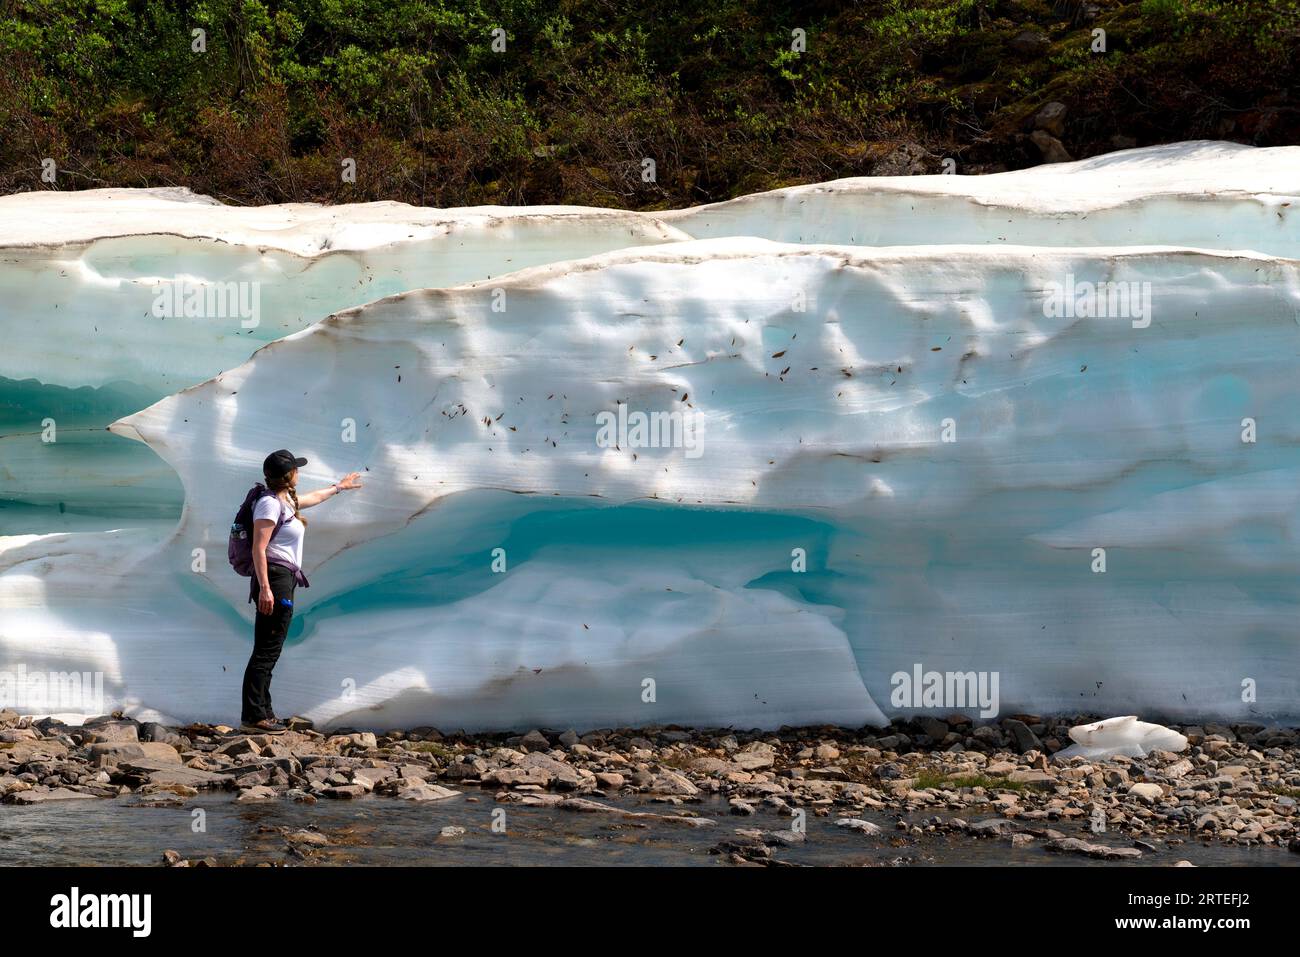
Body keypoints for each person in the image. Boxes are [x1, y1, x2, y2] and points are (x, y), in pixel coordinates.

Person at [241, 449, 362, 734]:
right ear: (288, 475)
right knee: (266, 650)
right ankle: (253, 717)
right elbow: (259, 548)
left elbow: (310, 499)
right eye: (296, 468)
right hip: (274, 577)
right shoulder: (269, 505)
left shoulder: (286, 501)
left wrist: (338, 488)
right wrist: (266, 590)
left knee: (270, 648)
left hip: (283, 577)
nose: (299, 472)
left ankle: (264, 713)